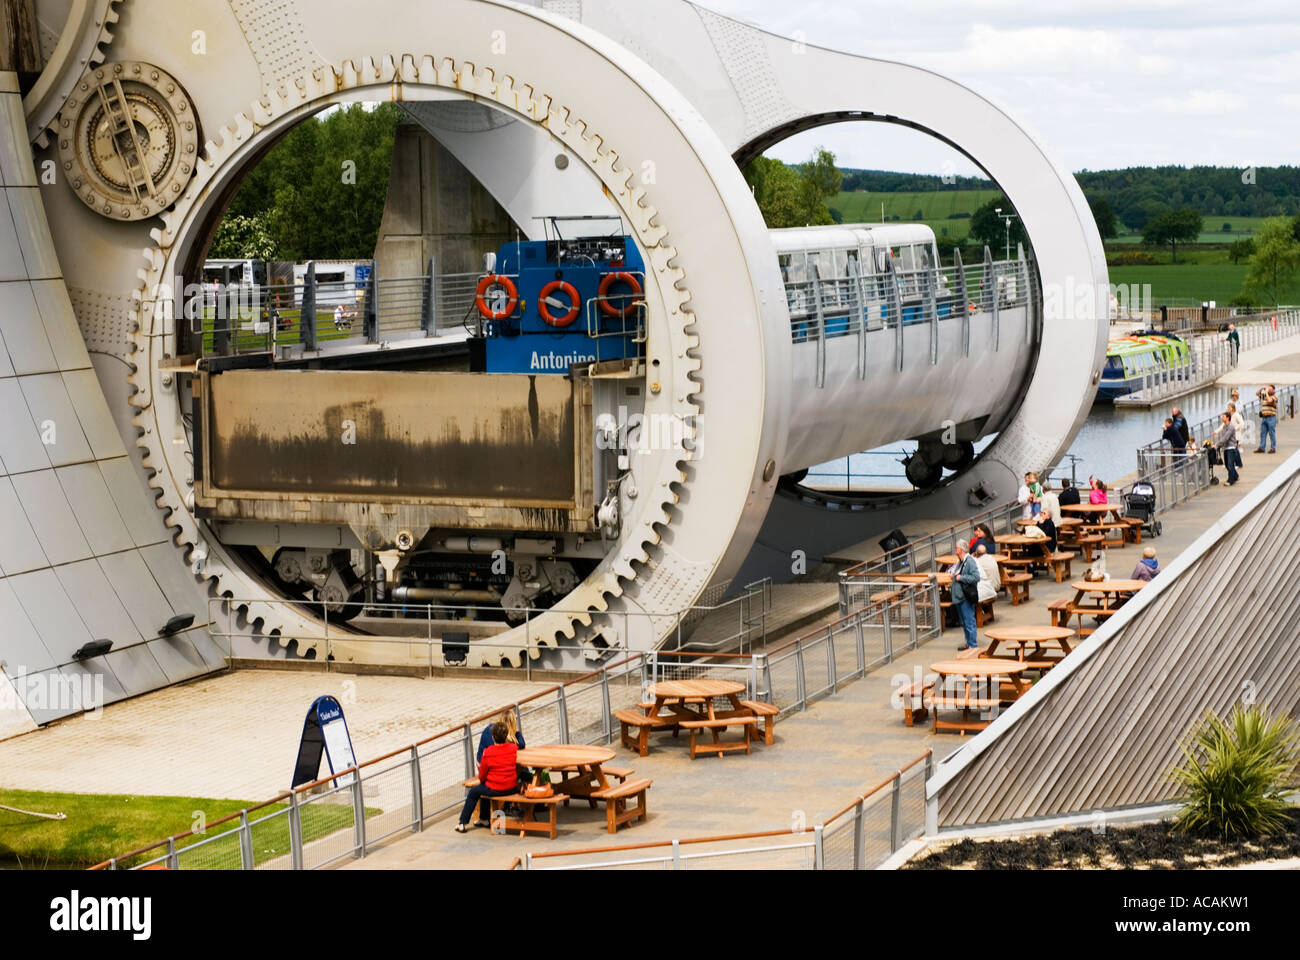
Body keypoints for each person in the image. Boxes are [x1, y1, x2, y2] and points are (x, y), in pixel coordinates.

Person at [456, 721, 519, 832]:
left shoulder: (488, 752)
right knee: (483, 788)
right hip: (512, 787)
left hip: (496, 788)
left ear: (493, 737)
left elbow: (482, 776)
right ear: (506, 735)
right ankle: (484, 818)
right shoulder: (513, 748)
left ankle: (462, 822)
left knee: (474, 792)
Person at [949, 541, 982, 651]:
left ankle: (973, 645)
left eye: (956, 548)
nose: (955, 550)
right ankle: (968, 643)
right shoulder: (960, 562)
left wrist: (961, 578)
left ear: (961, 550)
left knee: (969, 622)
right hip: (959, 597)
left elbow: (976, 577)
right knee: (964, 622)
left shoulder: (970, 562)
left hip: (965, 597)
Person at [1213, 412, 1239, 485]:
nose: (1222, 418)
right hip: (1226, 448)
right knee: (1227, 464)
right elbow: (1223, 438)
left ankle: (1230, 481)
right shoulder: (1224, 426)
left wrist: (1217, 445)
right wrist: (1219, 445)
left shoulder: (1230, 427)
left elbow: (1226, 438)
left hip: (1231, 447)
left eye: (1223, 416)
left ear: (1228, 418)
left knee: (1230, 465)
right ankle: (1236, 476)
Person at [1256, 385, 1278, 454]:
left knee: (1272, 433)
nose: (1268, 390)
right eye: (1268, 389)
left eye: (1270, 389)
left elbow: (1269, 400)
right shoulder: (1265, 396)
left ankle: (1273, 448)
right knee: (1263, 433)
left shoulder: (1275, 396)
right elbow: (1257, 394)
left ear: (1273, 390)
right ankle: (1262, 448)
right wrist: (1262, 388)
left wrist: (1266, 393)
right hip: (1264, 417)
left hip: (1271, 417)